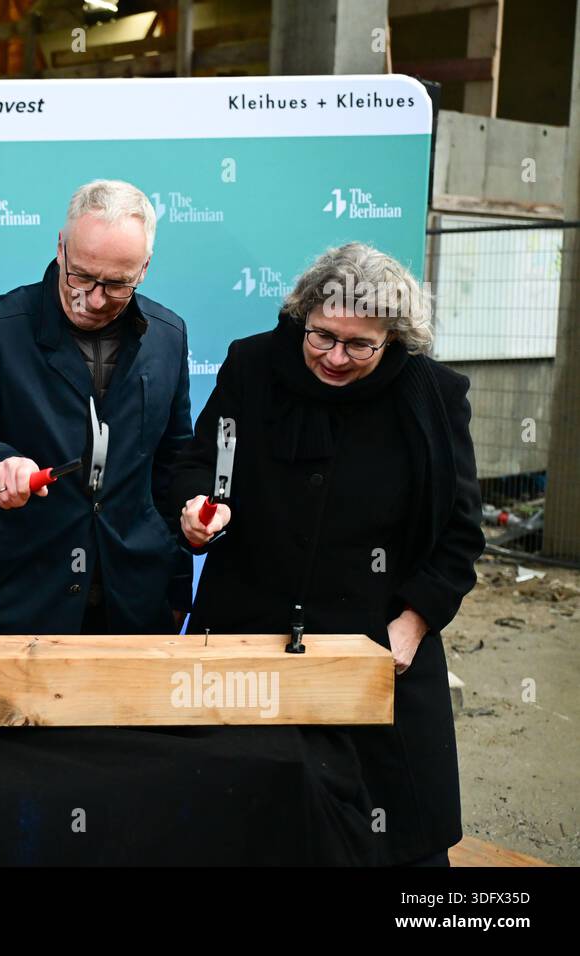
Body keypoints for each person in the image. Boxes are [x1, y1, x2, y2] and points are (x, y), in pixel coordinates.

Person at [170, 242, 484, 866]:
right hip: (248, 633)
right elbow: (197, 461)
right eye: (322, 337)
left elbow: (460, 532)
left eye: (359, 346)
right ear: (304, 314)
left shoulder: (433, 395)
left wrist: (413, 622)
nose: (335, 357)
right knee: (240, 827)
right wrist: (196, 508)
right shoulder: (254, 364)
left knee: (396, 843)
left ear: (394, 338)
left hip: (378, 647)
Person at [0, 179, 193, 635]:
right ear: (60, 246)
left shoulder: (170, 334)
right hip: (13, 604)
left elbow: (174, 465)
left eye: (116, 284)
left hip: (132, 608)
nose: (92, 299)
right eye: (81, 276)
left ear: (144, 268)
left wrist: (176, 587)